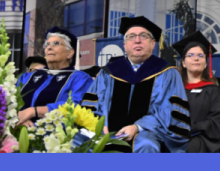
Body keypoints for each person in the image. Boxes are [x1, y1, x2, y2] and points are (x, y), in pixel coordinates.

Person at [80, 16, 190, 153]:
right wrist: (101, 126)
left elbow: (169, 112)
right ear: (124, 44)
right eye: (131, 36)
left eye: (143, 36)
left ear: (153, 43)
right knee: (76, 141)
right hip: (106, 131)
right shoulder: (108, 73)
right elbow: (92, 106)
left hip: (147, 132)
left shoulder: (168, 73)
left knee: (146, 144)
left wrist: (137, 127)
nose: (137, 40)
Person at [16, 27, 93, 126]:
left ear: (70, 53)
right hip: (20, 131)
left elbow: (78, 106)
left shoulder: (80, 79)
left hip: (57, 136)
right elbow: (11, 100)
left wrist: (35, 111)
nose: (49, 47)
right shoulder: (28, 77)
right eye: (47, 44)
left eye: (56, 43)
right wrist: (20, 117)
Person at [172, 31, 220, 153]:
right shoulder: (174, 89)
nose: (196, 58)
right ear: (184, 63)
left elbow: (218, 120)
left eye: (201, 56)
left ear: (206, 63)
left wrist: (192, 128)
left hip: (201, 140)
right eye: (190, 55)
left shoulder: (215, 91)